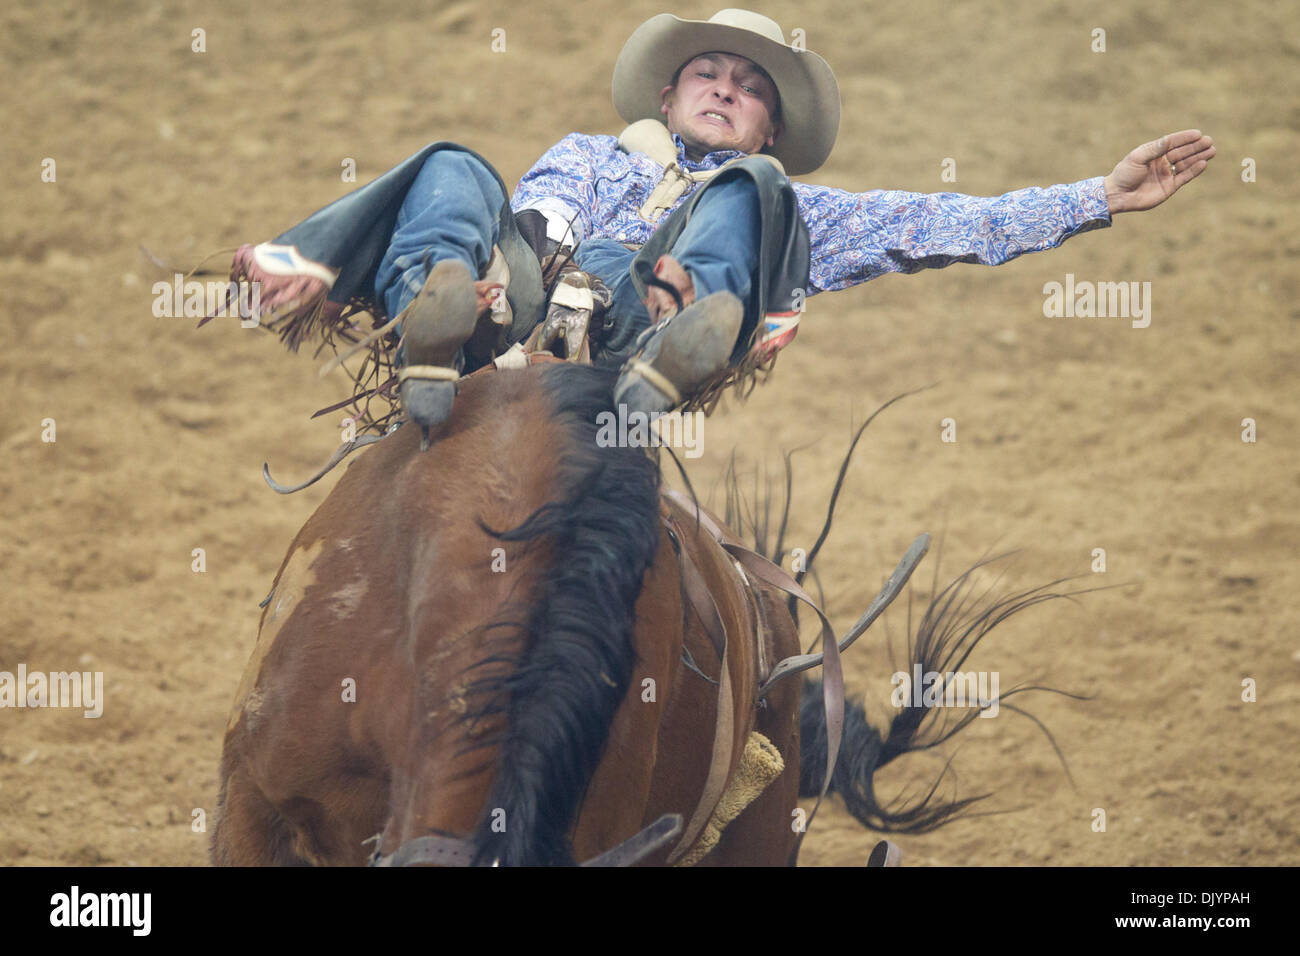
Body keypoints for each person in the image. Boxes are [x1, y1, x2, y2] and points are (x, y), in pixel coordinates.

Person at [231, 9, 1214, 430]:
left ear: (768, 127)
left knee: (737, 205)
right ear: (668, 92)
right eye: (709, 72)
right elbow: (543, 213)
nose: (725, 90)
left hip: (626, 325)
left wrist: (1093, 196)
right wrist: (526, 273)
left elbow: (937, 219)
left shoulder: (771, 195)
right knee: (453, 164)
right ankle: (439, 317)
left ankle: (681, 330)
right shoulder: (587, 151)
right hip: (526, 297)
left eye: (749, 90)